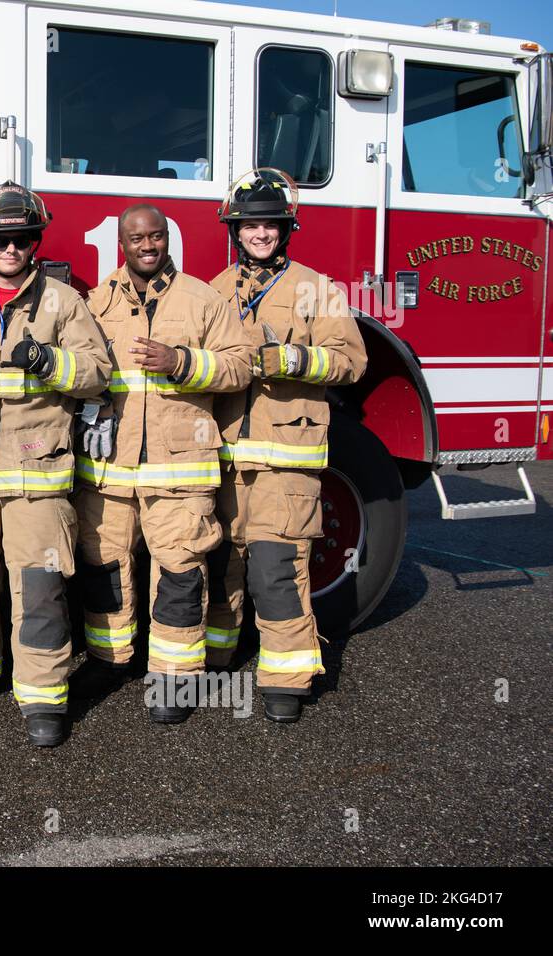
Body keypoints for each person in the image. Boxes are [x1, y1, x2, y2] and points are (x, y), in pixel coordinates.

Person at [0, 182, 111, 747]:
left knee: (39, 589)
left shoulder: (63, 302)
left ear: (35, 241)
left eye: (20, 239)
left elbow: (97, 373)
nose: (10, 249)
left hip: (38, 479)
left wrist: (48, 359)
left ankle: (42, 694)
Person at [71, 204, 253, 721]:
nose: (147, 246)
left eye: (155, 237)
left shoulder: (204, 298)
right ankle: (109, 660)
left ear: (167, 240)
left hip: (180, 470)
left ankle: (175, 681)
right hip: (108, 470)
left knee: (179, 572)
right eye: (136, 239)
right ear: (121, 245)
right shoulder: (96, 302)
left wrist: (182, 362)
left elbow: (240, 365)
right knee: (103, 568)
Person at [205, 168, 367, 722]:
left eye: (270, 224)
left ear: (285, 229)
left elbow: (352, 362)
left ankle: (287, 678)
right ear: (235, 229)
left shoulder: (316, 288)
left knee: (277, 568)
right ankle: (218, 654)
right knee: (223, 562)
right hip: (227, 458)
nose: (260, 233)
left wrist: (298, 360)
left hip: (286, 460)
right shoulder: (216, 289)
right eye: (249, 224)